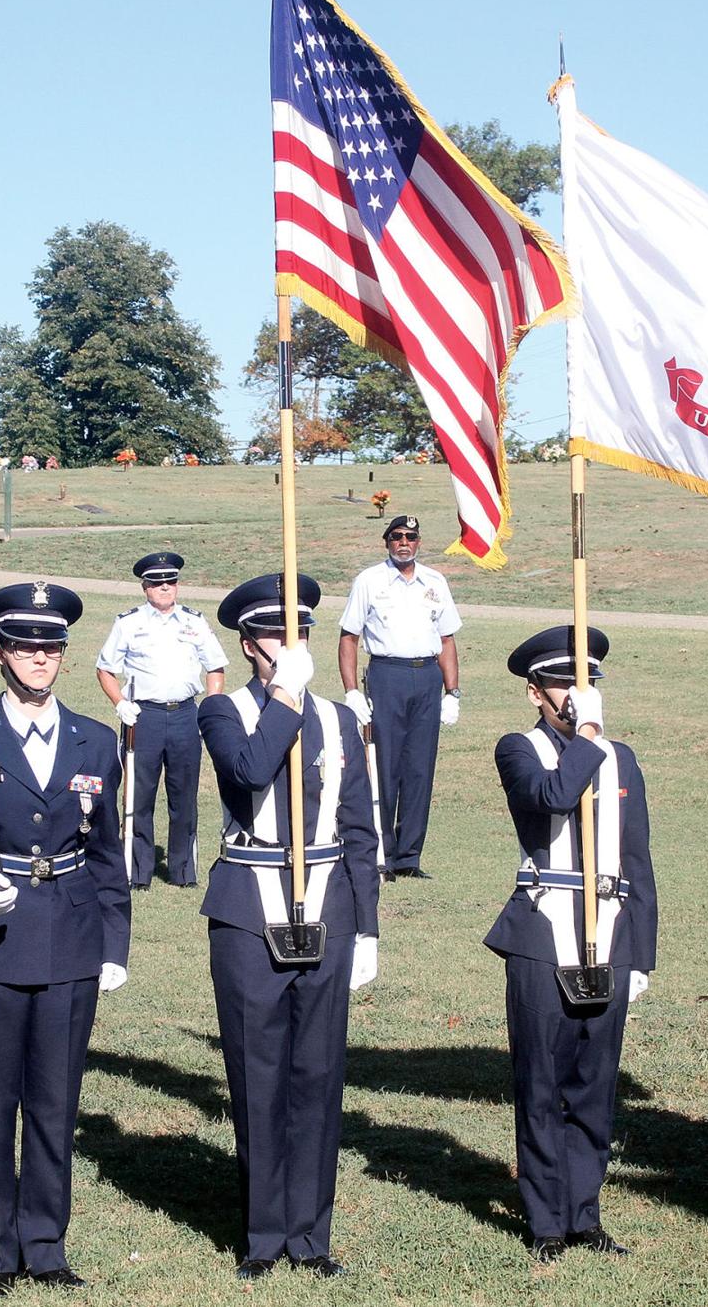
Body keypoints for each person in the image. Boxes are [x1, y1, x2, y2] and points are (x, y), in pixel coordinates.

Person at [0, 581, 130, 1298]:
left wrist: (113, 943)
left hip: (70, 937)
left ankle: (45, 1246)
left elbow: (107, 853)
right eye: (23, 646)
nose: (38, 658)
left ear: (64, 655)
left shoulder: (95, 741)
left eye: (51, 647)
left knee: (54, 1104)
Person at [198, 572, 380, 1279]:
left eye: (299, 631)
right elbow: (248, 772)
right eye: (275, 635)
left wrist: (367, 928)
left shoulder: (338, 720)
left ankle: (310, 1234)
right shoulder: (223, 711)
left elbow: (359, 828)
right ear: (248, 646)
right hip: (250, 907)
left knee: (317, 1074)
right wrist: (284, 697)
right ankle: (263, 1234)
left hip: (327, 904)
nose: (290, 644)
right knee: (258, 1071)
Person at [488, 626, 657, 1262]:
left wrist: (641, 953)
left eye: (584, 682)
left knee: (594, 1082)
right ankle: (546, 1222)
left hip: (610, 930)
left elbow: (637, 859)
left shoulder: (622, 758)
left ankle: (584, 1212)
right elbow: (552, 796)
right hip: (543, 930)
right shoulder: (519, 749)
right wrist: (586, 736)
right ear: (535, 693)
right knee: (541, 1081)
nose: (574, 693)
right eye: (561, 683)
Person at [338, 514, 461, 880]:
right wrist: (352, 691)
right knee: (384, 766)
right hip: (387, 674)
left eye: (410, 536)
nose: (403, 543)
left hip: (427, 676)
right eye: (396, 537)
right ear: (387, 542)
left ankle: (409, 857)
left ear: (419, 542)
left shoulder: (435, 582)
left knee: (420, 769)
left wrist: (452, 691)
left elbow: (447, 639)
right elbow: (349, 638)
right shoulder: (370, 581)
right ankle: (383, 855)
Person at [96, 551, 227, 889]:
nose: (165, 587)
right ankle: (138, 872)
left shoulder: (194, 621)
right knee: (139, 797)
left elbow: (215, 666)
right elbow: (106, 668)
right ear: (145, 587)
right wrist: (120, 703)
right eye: (157, 583)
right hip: (144, 716)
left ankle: (183, 871)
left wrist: (210, 708)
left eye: (170, 581)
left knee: (184, 796)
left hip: (185, 715)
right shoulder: (129, 623)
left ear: (177, 585)